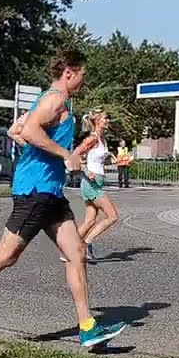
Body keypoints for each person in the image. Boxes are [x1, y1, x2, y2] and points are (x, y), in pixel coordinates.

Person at [0, 50, 126, 348]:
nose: (84, 80)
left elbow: (21, 129)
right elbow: (29, 130)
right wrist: (65, 154)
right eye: (82, 74)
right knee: (5, 256)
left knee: (77, 251)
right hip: (35, 191)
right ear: (69, 71)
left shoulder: (59, 101)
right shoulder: (54, 98)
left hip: (51, 193)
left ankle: (88, 327)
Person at [70, 111, 118, 262]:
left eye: (108, 118)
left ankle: (68, 249)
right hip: (91, 184)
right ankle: (86, 244)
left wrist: (112, 160)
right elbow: (75, 154)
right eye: (105, 118)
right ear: (97, 121)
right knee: (112, 216)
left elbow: (96, 160)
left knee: (90, 221)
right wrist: (85, 169)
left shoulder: (101, 138)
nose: (108, 120)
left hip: (96, 181)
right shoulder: (92, 138)